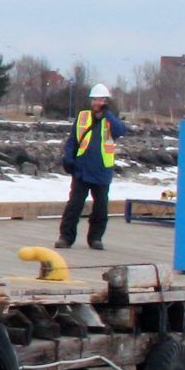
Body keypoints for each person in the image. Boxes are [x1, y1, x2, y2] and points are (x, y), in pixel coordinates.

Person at [57, 83, 124, 250]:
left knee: (100, 207)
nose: (98, 102)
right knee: (74, 205)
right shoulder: (83, 117)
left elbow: (121, 130)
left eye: (101, 99)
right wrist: (69, 157)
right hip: (82, 170)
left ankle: (95, 238)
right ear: (90, 100)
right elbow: (73, 139)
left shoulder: (111, 120)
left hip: (102, 171)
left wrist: (107, 114)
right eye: (95, 99)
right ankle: (66, 237)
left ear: (106, 101)